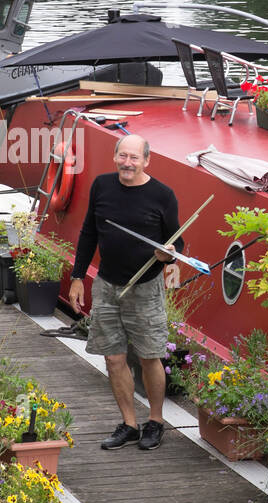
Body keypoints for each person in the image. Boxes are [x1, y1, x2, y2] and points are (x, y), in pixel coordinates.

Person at [68, 134, 183, 451]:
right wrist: (78, 277)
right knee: (114, 359)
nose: (127, 163)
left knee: (149, 357)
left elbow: (177, 243)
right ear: (115, 156)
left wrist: (168, 254)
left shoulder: (163, 195)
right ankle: (130, 424)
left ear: (147, 160)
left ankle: (156, 422)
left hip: (145, 289)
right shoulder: (102, 186)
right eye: (123, 156)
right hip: (106, 286)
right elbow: (89, 232)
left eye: (134, 157)